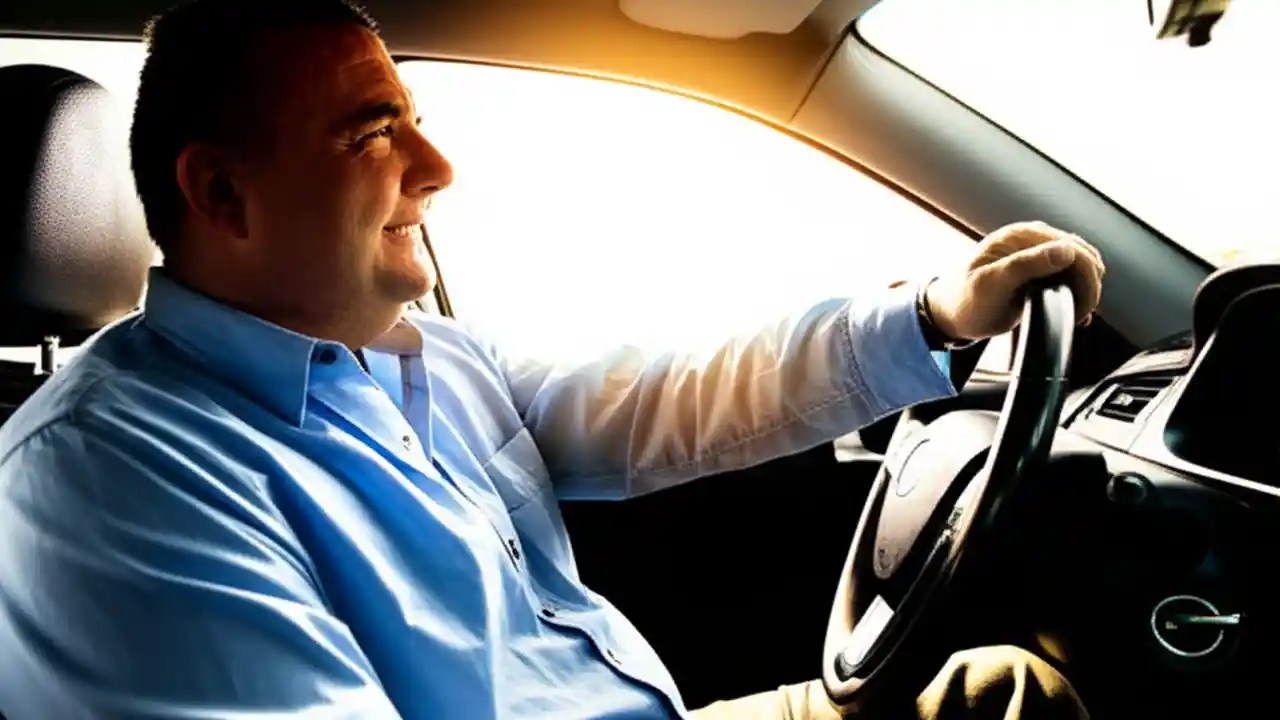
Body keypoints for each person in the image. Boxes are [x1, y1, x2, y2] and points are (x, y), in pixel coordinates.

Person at [0, 0, 1103, 718]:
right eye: (372, 133)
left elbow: (661, 400)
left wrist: (936, 315)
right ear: (219, 194)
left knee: (1002, 695)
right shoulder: (103, 481)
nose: (436, 167)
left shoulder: (418, 358)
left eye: (413, 120)